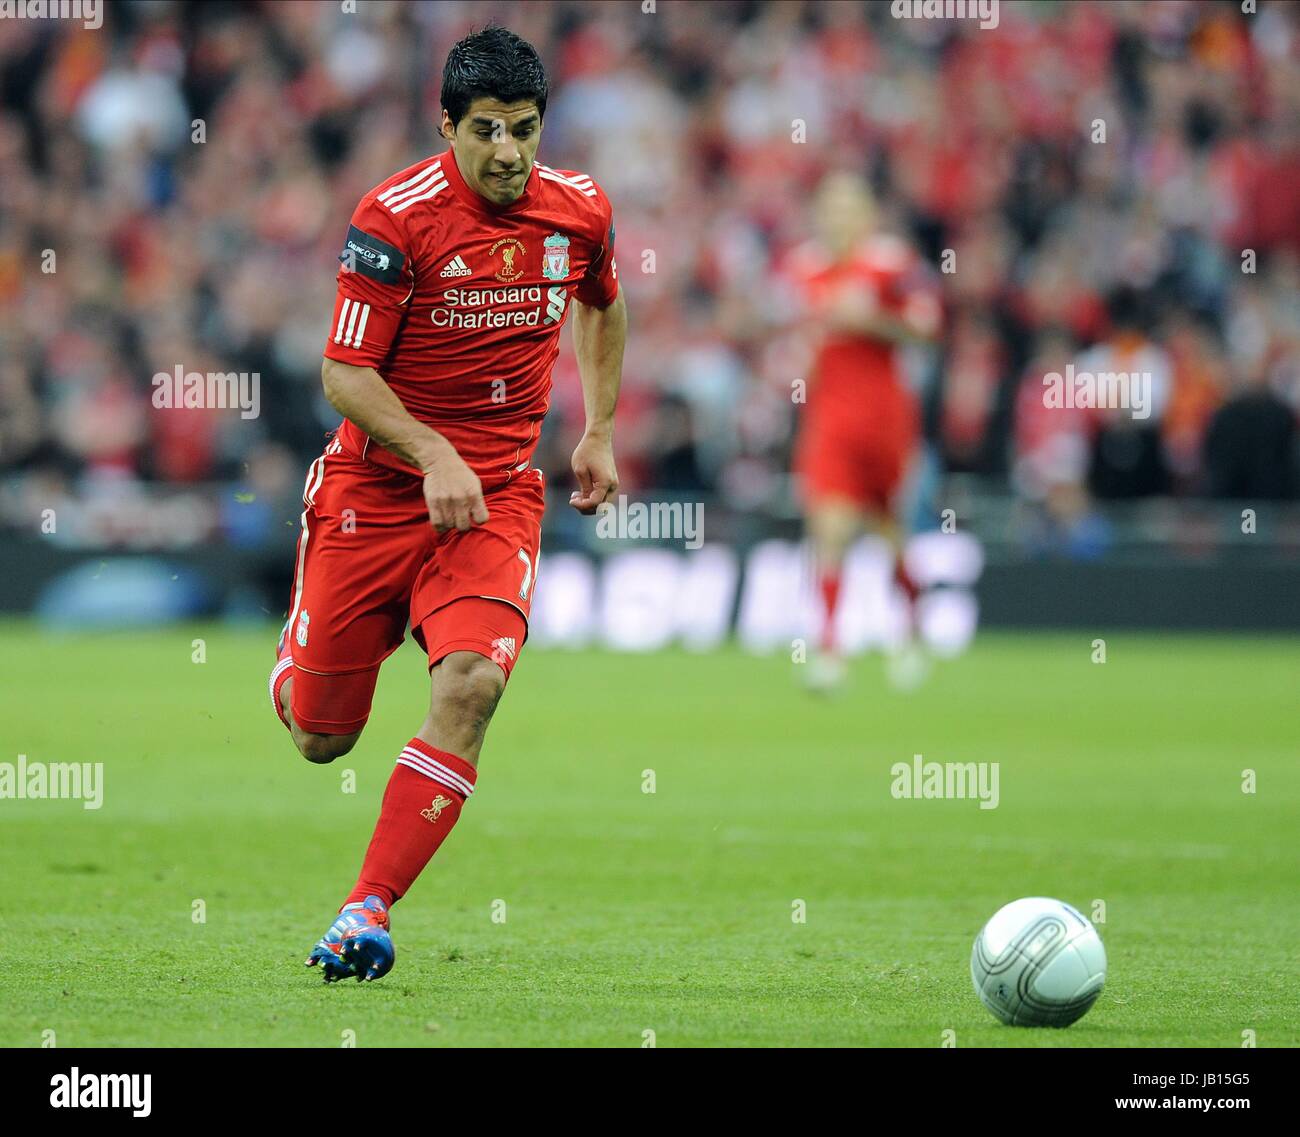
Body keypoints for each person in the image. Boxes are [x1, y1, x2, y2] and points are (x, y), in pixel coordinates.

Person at [268, 27, 626, 981]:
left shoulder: (581, 211)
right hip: (374, 495)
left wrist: (598, 428)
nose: (508, 152)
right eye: (485, 131)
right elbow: (345, 372)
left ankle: (365, 909)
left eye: (524, 129)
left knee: (470, 686)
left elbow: (602, 300)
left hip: (498, 497)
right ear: (447, 126)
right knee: (320, 735)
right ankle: (298, 662)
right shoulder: (393, 217)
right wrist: (430, 451)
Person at [783, 173, 940, 691]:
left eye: (849, 207)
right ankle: (829, 650)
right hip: (829, 415)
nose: (838, 218)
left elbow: (928, 326)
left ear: (868, 214)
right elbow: (791, 334)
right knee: (829, 527)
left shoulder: (892, 264)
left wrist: (872, 320)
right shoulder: (804, 268)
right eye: (830, 208)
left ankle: (911, 631)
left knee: (890, 531)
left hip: (886, 417)